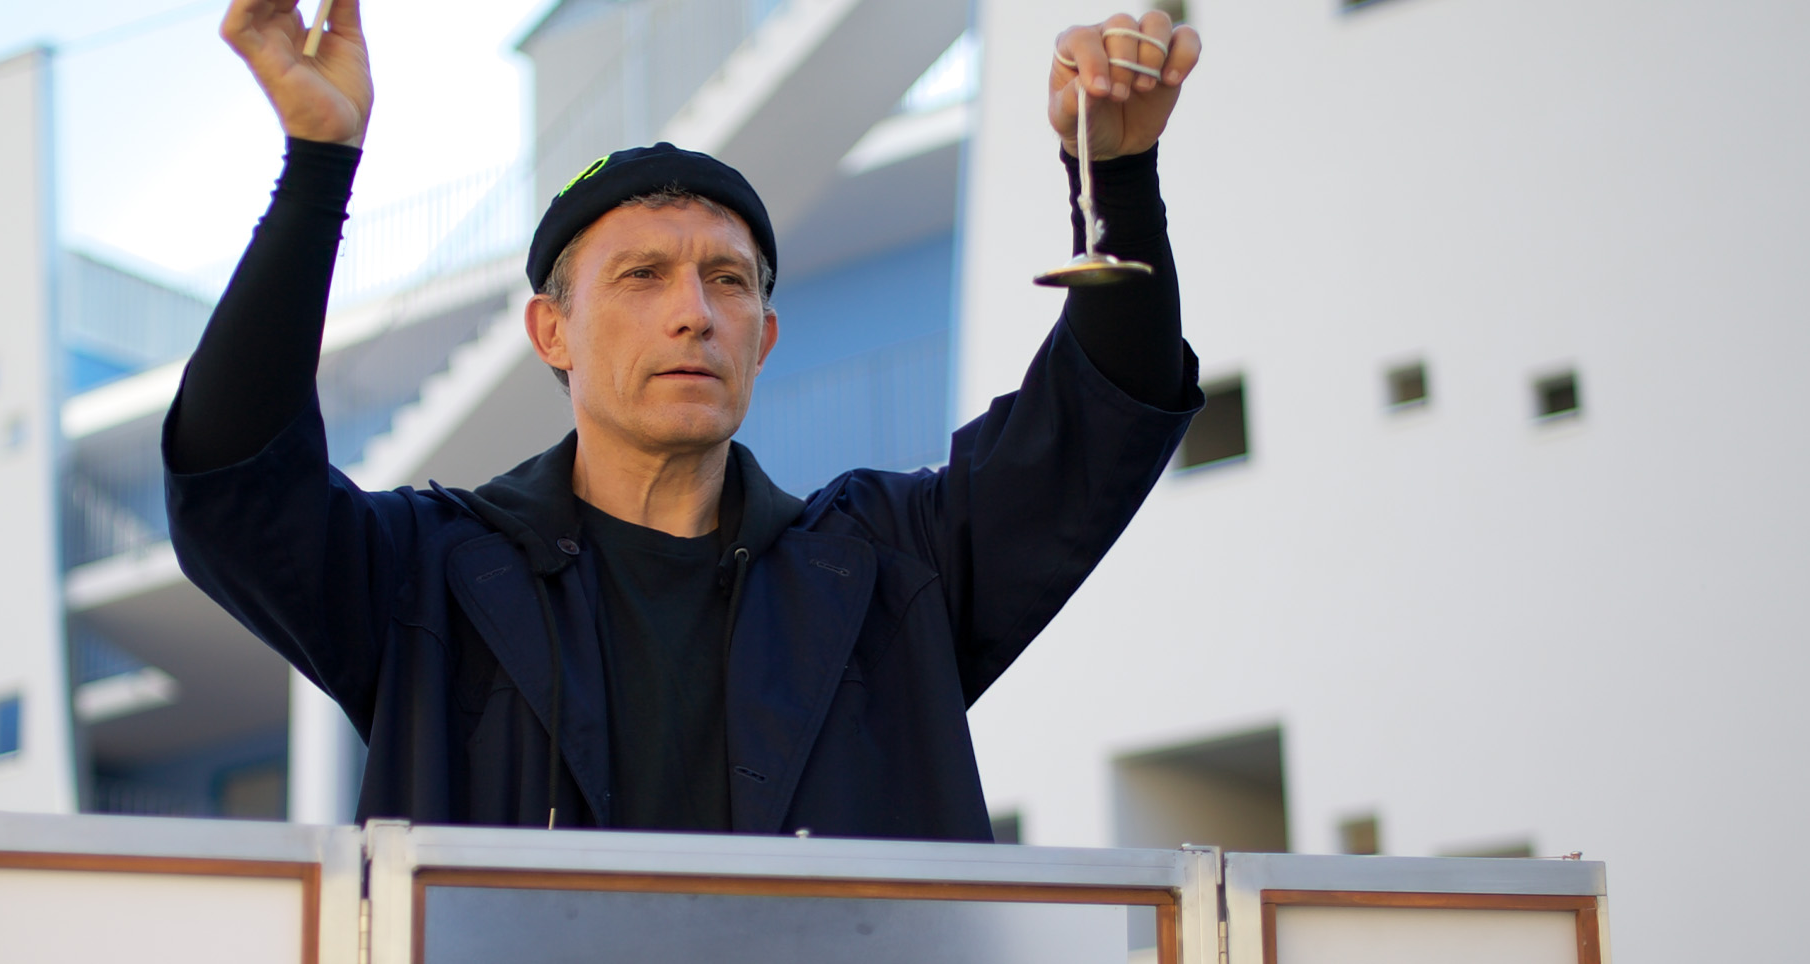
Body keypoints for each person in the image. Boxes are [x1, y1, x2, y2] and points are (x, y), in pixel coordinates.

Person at [167, 0, 1206, 840]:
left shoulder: (891, 572)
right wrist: (316, 167)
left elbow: (1104, 415)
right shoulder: (428, 576)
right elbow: (233, 476)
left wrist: (1113, 175)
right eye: (643, 275)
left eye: (728, 280)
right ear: (551, 332)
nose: (693, 312)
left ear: (764, 336)